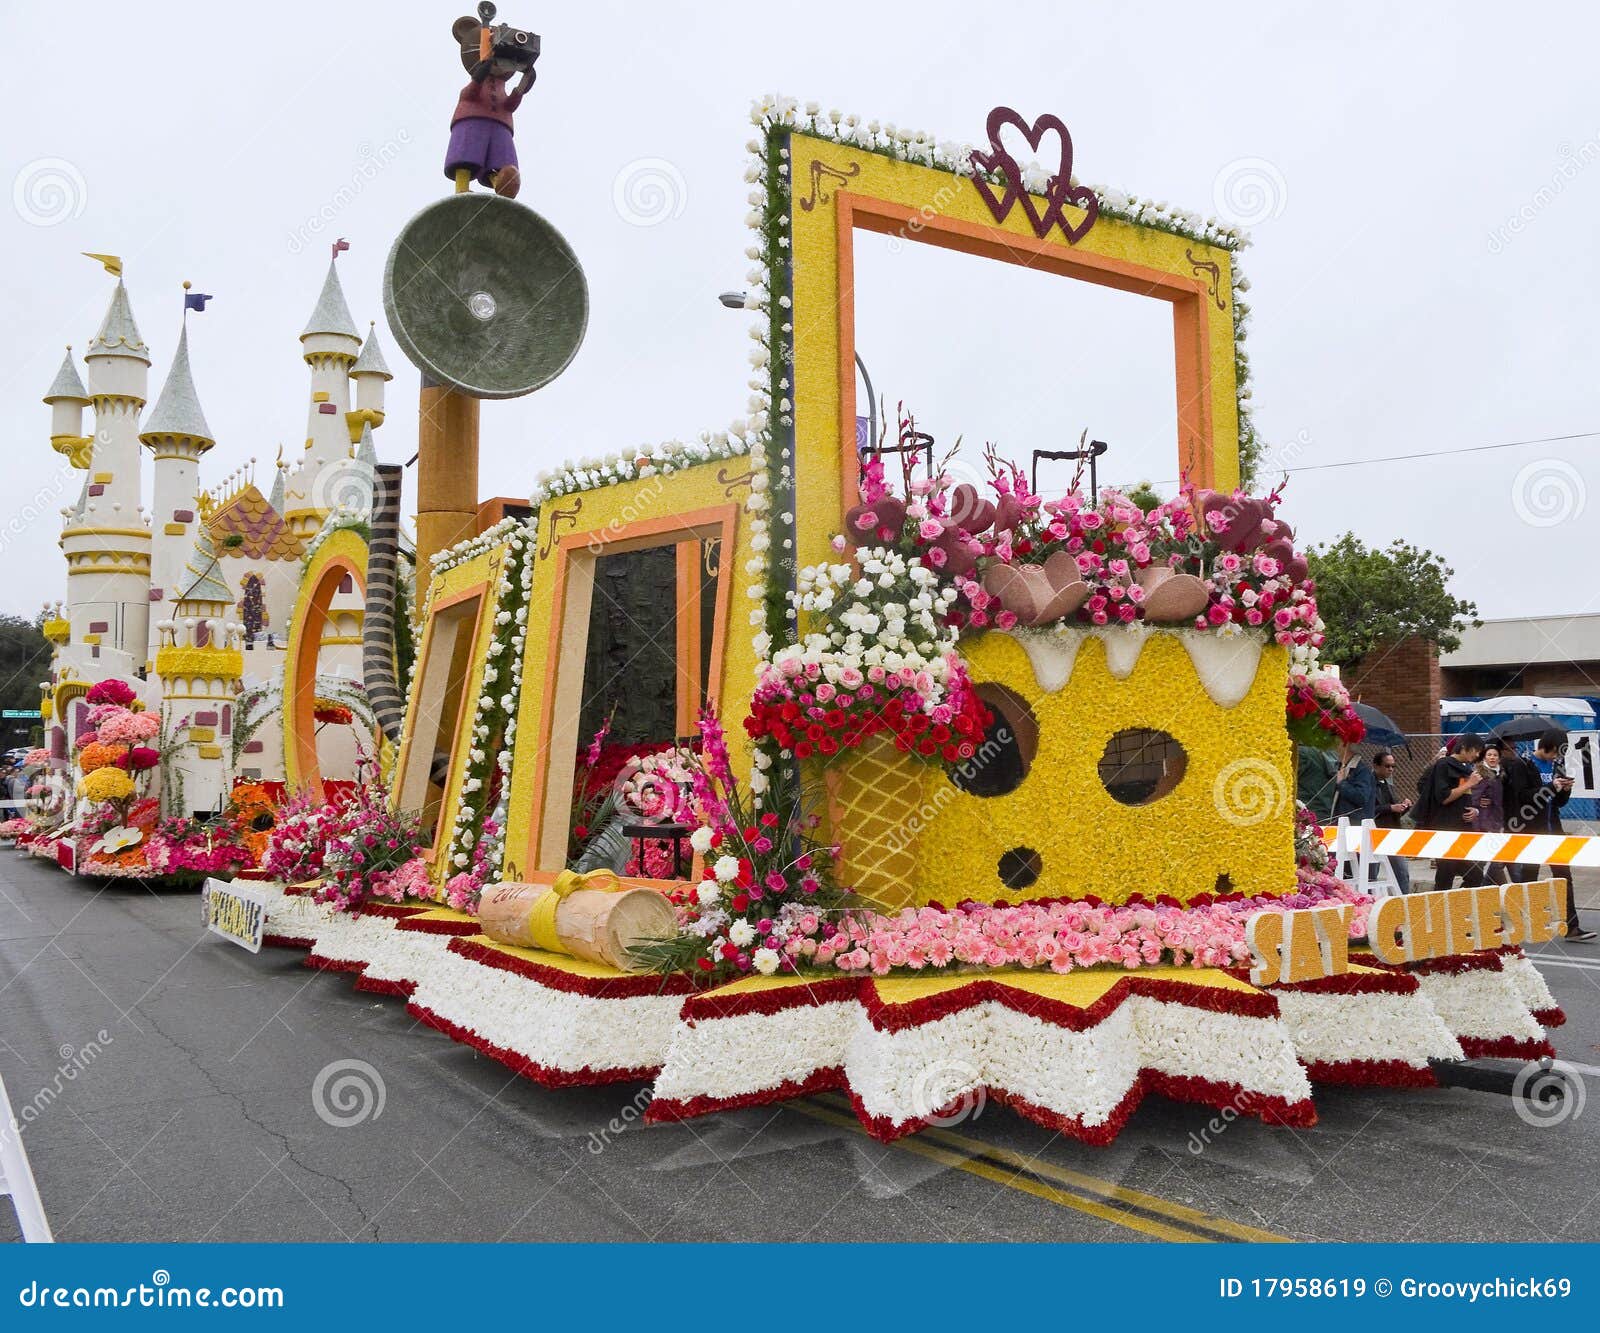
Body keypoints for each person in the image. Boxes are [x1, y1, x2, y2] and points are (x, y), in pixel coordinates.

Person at [1525, 729, 1595, 942]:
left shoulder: (1557, 766)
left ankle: (1571, 927)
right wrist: (1550, 786)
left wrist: (1565, 789)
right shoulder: (1525, 765)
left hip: (1553, 829)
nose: (1557, 756)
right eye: (1556, 751)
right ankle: (1529, 923)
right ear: (1546, 745)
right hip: (1531, 830)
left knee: (1564, 877)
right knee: (1529, 878)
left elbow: (1559, 802)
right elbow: (1524, 798)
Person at [1421, 732, 1485, 891]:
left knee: (1475, 875)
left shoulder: (1466, 768)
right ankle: (1440, 911)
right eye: (1475, 750)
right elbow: (1444, 797)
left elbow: (1466, 796)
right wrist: (1469, 783)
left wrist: (1475, 811)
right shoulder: (1444, 765)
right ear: (1464, 747)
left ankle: (1457, 905)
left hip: (1463, 830)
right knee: (1445, 875)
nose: (1477, 755)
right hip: (1445, 829)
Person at [1371, 748, 1413, 893]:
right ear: (1376, 766)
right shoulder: (1369, 785)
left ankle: (1404, 900)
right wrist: (1390, 808)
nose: (1391, 769)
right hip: (1374, 835)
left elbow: (1394, 812)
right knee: (1371, 873)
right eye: (1387, 766)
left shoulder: (1389, 786)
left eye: (1393, 766)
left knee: (1401, 872)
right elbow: (1369, 810)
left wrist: (1404, 807)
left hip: (1392, 834)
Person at [1331, 743, 1377, 824]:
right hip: (1341, 822)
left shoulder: (1362, 771)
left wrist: (1342, 783)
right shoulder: (1341, 767)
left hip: (1355, 825)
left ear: (1345, 745)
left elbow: (1361, 797)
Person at [1296, 743, 1338, 824]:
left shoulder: (1301, 753)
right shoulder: (1329, 753)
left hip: (1306, 813)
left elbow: (1286, 780)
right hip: (1325, 812)